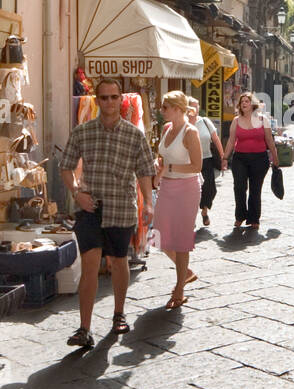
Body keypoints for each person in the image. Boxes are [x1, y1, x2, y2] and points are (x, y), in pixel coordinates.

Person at [60, 76, 155, 348]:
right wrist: (77, 192)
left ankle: (119, 313)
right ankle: (84, 328)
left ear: (121, 100)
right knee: (90, 265)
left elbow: (145, 171)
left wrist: (148, 202)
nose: (110, 102)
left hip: (122, 206)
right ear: (97, 100)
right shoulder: (83, 132)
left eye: (114, 97)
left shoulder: (134, 134)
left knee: (118, 260)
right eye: (104, 97)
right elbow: (66, 167)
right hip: (91, 207)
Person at [154, 91, 204, 308]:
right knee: (157, 236)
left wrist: (170, 168)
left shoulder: (190, 132)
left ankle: (179, 290)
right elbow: (163, 156)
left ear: (177, 108)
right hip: (166, 186)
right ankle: (187, 273)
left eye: (165, 107)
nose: (161, 111)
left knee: (181, 240)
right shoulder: (166, 129)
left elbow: (197, 165)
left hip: (186, 188)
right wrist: (159, 166)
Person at [223, 90, 279, 230]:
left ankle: (254, 218)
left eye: (247, 101)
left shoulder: (262, 120)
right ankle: (240, 216)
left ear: (252, 104)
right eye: (242, 102)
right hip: (240, 158)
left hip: (259, 159)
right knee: (239, 187)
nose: (244, 104)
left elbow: (269, 140)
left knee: (255, 189)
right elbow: (231, 141)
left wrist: (275, 157)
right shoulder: (236, 121)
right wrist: (225, 157)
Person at [187, 102, 226, 226]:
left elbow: (215, 139)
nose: (194, 109)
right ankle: (191, 217)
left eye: (196, 106)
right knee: (192, 191)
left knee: (210, 189)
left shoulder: (204, 121)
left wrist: (223, 156)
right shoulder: (183, 123)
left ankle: (204, 211)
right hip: (189, 161)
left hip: (206, 159)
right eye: (191, 106)